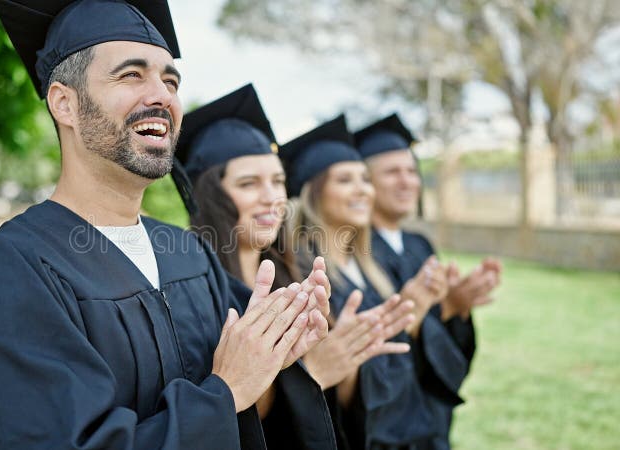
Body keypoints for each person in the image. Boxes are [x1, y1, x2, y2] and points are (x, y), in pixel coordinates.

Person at [0, 1, 331, 448]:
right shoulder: (0, 277)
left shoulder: (188, 254)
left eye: (170, 80)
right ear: (65, 102)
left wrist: (274, 362)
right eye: (131, 75)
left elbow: (256, 417)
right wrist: (225, 391)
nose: (161, 95)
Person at [177, 85, 406, 449]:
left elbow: (334, 418)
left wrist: (346, 360)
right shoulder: (187, 291)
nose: (272, 196)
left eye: (278, 181)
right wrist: (310, 374)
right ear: (210, 193)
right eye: (249, 183)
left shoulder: (296, 275)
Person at [280, 114, 463, 449]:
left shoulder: (373, 268)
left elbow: (408, 366)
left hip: (417, 433)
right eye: (346, 180)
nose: (363, 189)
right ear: (314, 193)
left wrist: (421, 313)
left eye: (365, 179)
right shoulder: (303, 276)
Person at [353, 113, 503, 448]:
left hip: (431, 418)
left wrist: (458, 306)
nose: (407, 181)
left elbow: (442, 349)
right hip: (385, 428)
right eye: (392, 172)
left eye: (411, 171)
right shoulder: (354, 253)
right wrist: (445, 308)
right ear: (365, 182)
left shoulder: (420, 245)